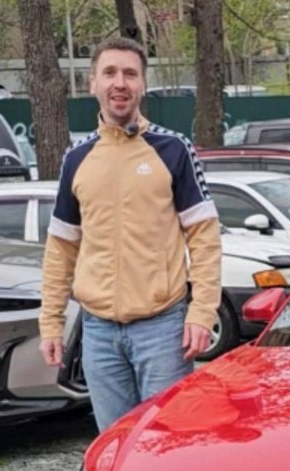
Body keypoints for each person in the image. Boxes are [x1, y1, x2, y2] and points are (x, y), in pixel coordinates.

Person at [39, 37, 222, 430]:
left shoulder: (174, 149)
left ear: (142, 84)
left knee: (167, 441)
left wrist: (202, 312)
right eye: (109, 73)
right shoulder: (76, 159)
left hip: (164, 329)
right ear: (92, 83)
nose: (119, 83)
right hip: (98, 332)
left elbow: (204, 237)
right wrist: (50, 323)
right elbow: (61, 247)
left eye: (129, 74)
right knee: (115, 445)